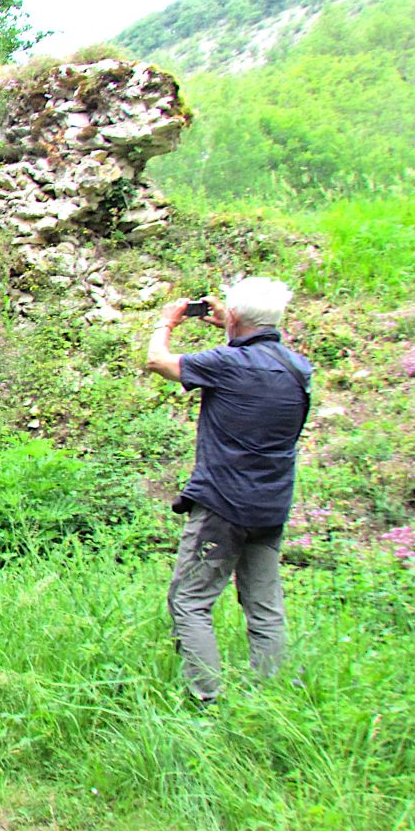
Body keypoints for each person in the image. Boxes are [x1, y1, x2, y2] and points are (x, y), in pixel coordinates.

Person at [145, 276, 312, 704]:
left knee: (190, 602)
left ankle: (206, 702)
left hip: (222, 504)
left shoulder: (227, 364)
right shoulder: (298, 369)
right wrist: (231, 326)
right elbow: (258, 358)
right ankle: (269, 701)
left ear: (235, 316)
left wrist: (165, 323)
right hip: (271, 507)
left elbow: (158, 362)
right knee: (265, 609)